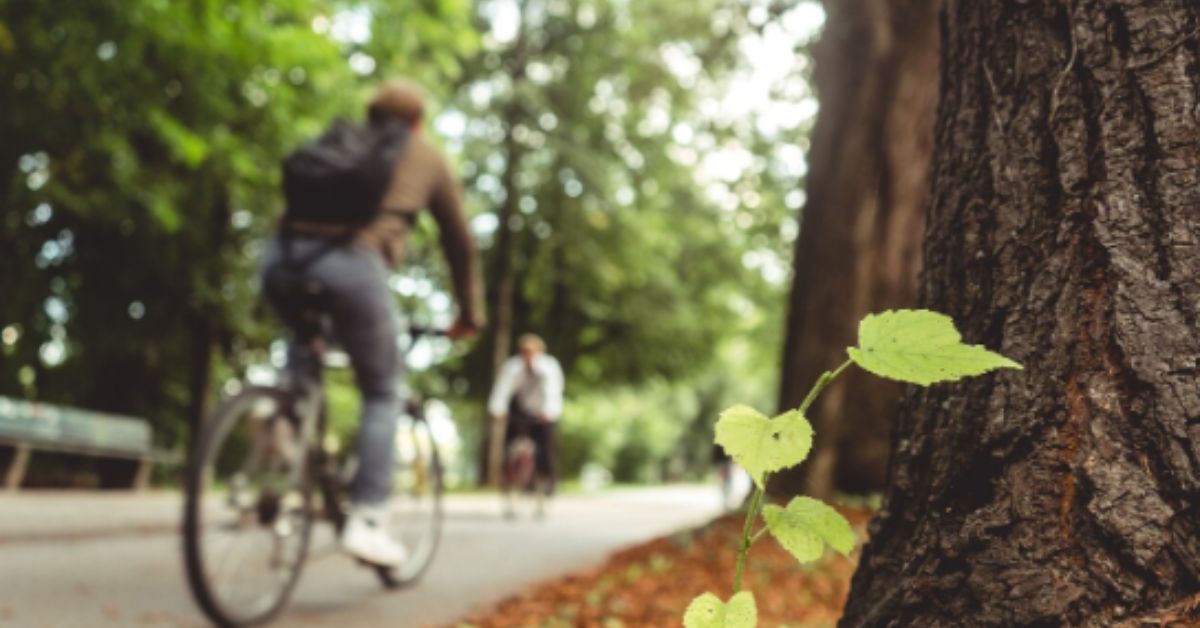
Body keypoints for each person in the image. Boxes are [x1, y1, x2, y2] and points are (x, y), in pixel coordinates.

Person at [260, 80, 483, 567]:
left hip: (282, 258)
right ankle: (368, 520)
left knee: (306, 350)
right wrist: (470, 314)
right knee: (383, 390)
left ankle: (283, 421)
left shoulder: (341, 139)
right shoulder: (425, 153)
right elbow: (459, 241)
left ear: (372, 112)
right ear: (417, 121)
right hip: (352, 265)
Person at [488, 334, 564, 497]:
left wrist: (549, 412)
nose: (528, 357)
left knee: (546, 445)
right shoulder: (513, 366)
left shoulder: (549, 367)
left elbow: (553, 391)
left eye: (531, 353)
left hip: (543, 411)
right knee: (510, 439)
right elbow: (502, 389)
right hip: (522, 409)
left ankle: (547, 478)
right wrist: (498, 409)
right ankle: (510, 474)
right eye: (525, 353)